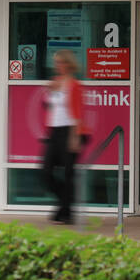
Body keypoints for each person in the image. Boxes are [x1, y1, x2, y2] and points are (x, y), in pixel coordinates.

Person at [41, 50, 90, 224]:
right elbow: (46, 105)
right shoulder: (55, 82)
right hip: (54, 132)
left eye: (61, 62)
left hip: (70, 130)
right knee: (46, 172)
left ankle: (65, 211)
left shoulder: (74, 85)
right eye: (56, 63)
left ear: (69, 64)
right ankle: (65, 204)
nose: (58, 66)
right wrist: (48, 91)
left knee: (68, 173)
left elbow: (78, 112)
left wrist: (75, 136)